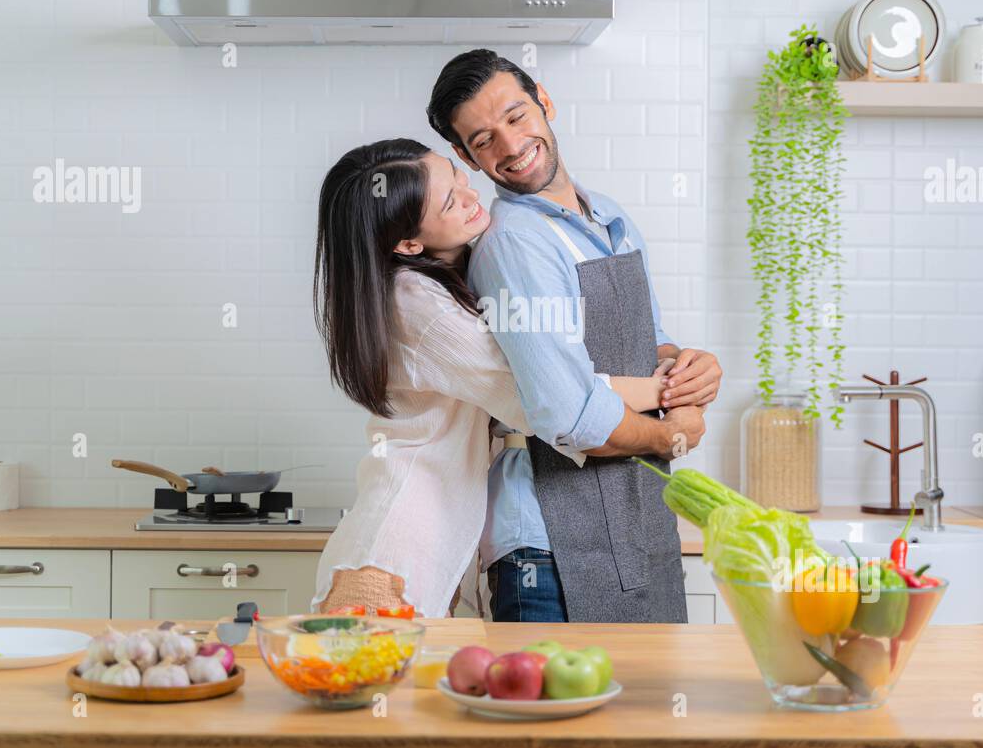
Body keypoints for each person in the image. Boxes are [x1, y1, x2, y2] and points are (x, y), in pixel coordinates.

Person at [309, 138, 682, 617]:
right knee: (367, 685)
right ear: (407, 243)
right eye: (449, 201)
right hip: (393, 553)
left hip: (424, 537)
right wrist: (666, 393)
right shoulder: (417, 305)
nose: (470, 195)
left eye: (458, 176)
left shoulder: (434, 280)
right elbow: (543, 397)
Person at [426, 49, 722, 623]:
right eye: (484, 140)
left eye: (516, 117)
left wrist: (687, 368)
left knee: (645, 708)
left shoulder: (608, 217)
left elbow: (649, 341)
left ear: (544, 101)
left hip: (635, 516)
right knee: (565, 711)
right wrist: (672, 438)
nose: (510, 147)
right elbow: (568, 416)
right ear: (465, 155)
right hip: (551, 544)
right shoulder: (516, 243)